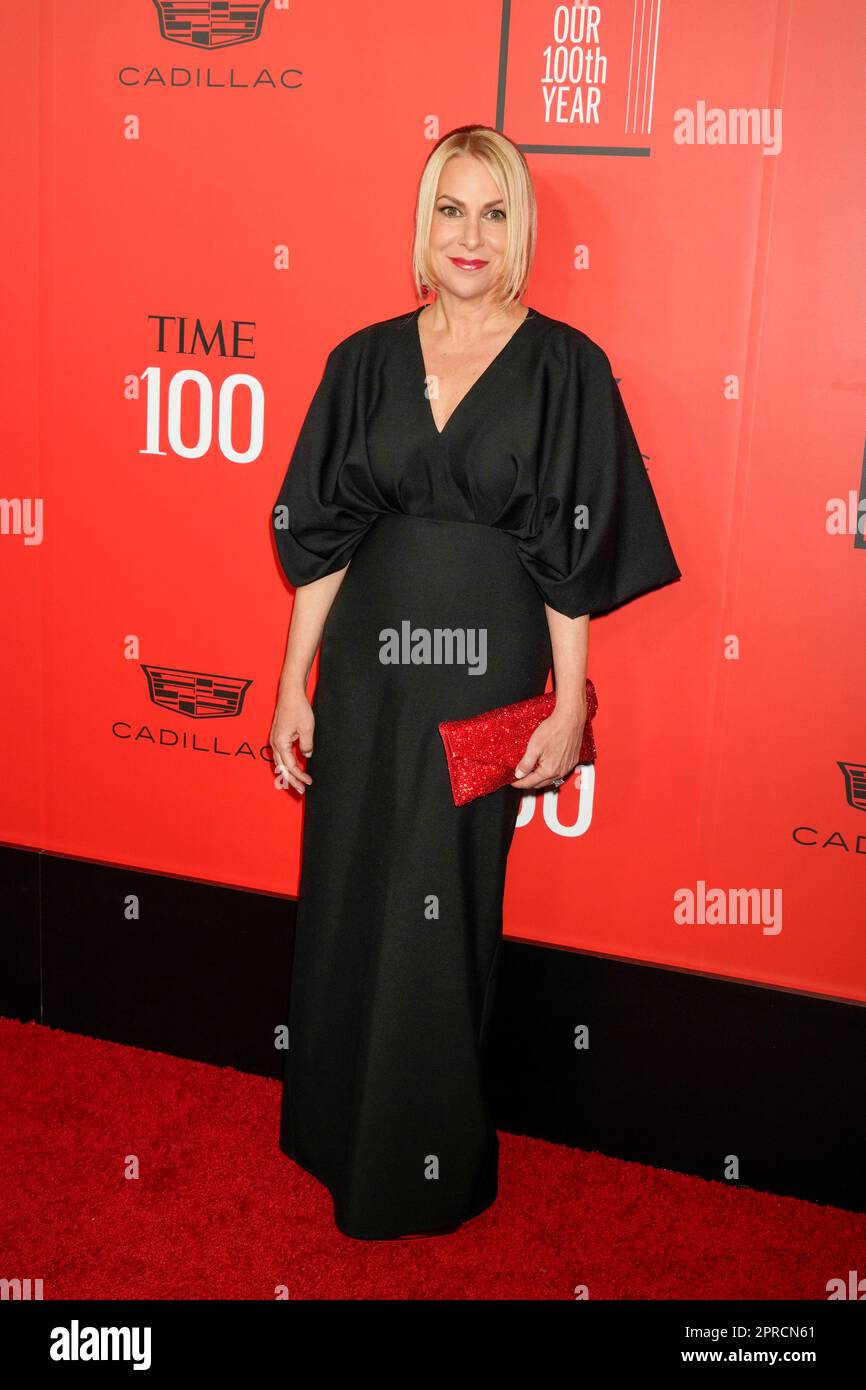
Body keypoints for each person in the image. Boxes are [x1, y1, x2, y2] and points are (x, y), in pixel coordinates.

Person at [269, 124, 681, 1241]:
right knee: (352, 885)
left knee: (440, 912)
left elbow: (573, 553)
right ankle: (329, 1129)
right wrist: (293, 682)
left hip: (481, 674)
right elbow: (323, 538)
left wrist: (569, 695)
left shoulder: (565, 367)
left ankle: (418, 1163)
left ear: (521, 233)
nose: (469, 235)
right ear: (423, 224)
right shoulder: (362, 359)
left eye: (493, 213)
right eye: (450, 209)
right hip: (366, 669)